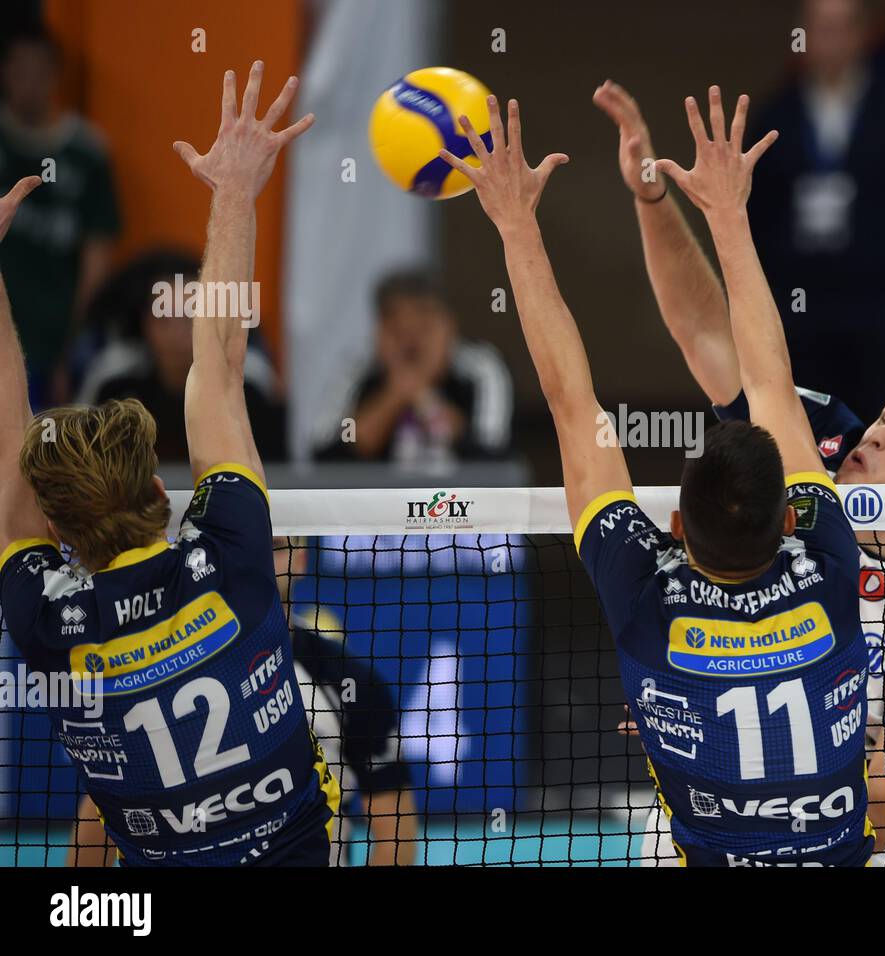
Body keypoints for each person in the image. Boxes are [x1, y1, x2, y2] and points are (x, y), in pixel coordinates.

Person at [443, 88, 872, 866]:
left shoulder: (645, 597)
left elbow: (572, 405)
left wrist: (514, 225)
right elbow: (771, 383)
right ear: (787, 520)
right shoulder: (830, 568)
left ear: (676, 524)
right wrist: (731, 214)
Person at [593, 79, 885, 866]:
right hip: (701, 830)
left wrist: (707, 716)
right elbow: (708, 333)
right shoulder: (815, 443)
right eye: (884, 417)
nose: (872, 436)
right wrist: (650, 197)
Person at [0, 61, 337, 866]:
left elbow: (8, 447)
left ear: (56, 528)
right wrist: (233, 189)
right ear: (158, 489)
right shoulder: (229, 557)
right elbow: (218, 358)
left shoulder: (45, 622)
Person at [67, 536, 420, 866]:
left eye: (275, 545)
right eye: (248, 544)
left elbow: (396, 833)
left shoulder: (350, 681)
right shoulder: (158, 673)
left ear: (301, 558)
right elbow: (107, 810)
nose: (258, 557)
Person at [745, 0, 885, 422]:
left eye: (843, 29)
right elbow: (755, 211)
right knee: (808, 428)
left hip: (884, 310)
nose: (832, 41)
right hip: (802, 311)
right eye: (821, 29)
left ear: (864, 34)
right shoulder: (778, 113)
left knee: (884, 425)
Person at [0, 27, 120, 406]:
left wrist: (74, 346)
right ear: (5, 73)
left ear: (55, 76)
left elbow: (97, 254)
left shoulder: (87, 153)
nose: (29, 85)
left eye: (40, 74)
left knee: (44, 452)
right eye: (20, 73)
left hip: (51, 345)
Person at [76, 250, 286, 462]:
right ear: (144, 324)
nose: (177, 335)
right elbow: (81, 459)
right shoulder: (113, 383)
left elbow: (276, 470)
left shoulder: (248, 384)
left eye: (189, 319)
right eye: (165, 319)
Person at [313, 269, 512, 469]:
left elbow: (495, 460)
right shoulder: (358, 372)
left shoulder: (481, 370)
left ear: (449, 326)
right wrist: (394, 397)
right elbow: (322, 460)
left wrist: (427, 401)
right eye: (398, 331)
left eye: (423, 329)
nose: (410, 343)